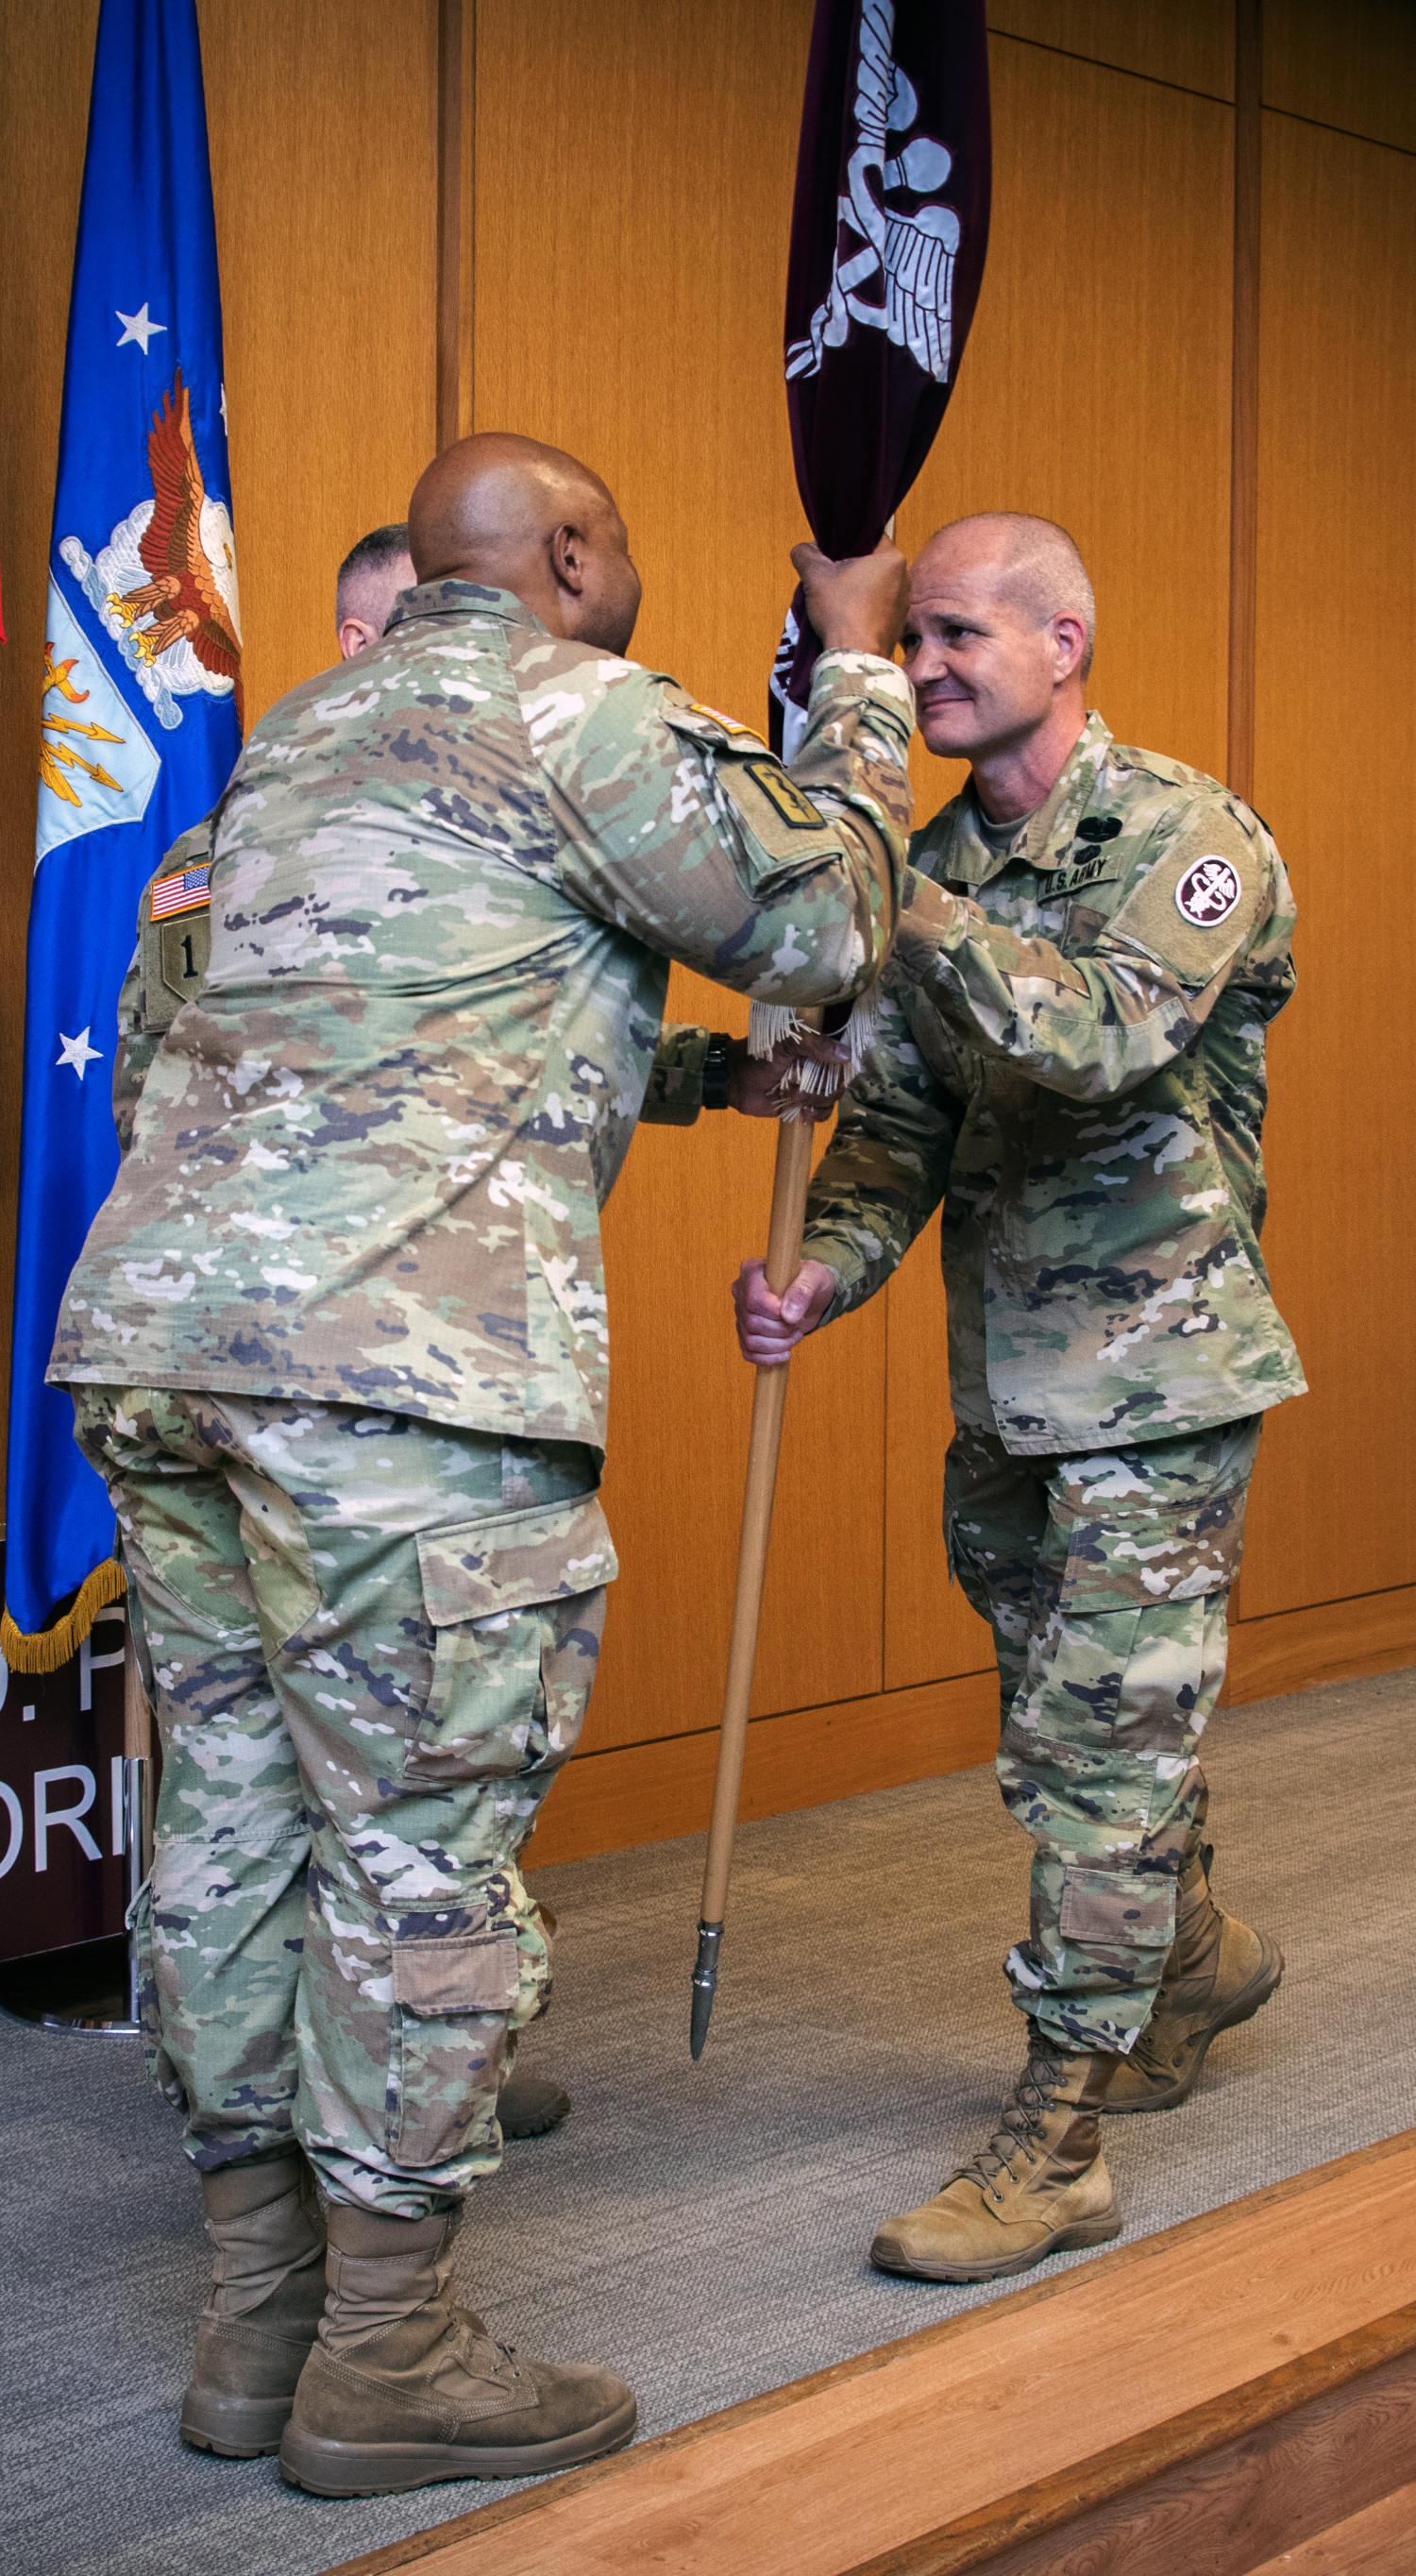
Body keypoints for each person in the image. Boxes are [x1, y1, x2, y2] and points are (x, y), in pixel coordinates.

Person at [52, 432, 913, 2494]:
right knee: (416, 1858)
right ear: (576, 555)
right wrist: (859, 669)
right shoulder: (576, 704)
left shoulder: (299, 735)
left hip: (168, 1350)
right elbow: (824, 911)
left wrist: (701, 1080)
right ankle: (388, 2353)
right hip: (395, 1378)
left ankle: (253, 2332)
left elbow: (444, 999)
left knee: (242, 1833)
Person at [733, 512, 1304, 2286]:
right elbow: (900, 1122)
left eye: (959, 637)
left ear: (1068, 642)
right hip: (1013, 1393)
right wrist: (822, 1262)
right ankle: (1194, 1957)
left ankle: (1055, 2141)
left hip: (1158, 1380)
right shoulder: (921, 864)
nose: (921, 670)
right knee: (1066, 1730)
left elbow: (1091, 1036)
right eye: (906, 645)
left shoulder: (1188, 838)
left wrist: (881, 900)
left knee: (1093, 1761)